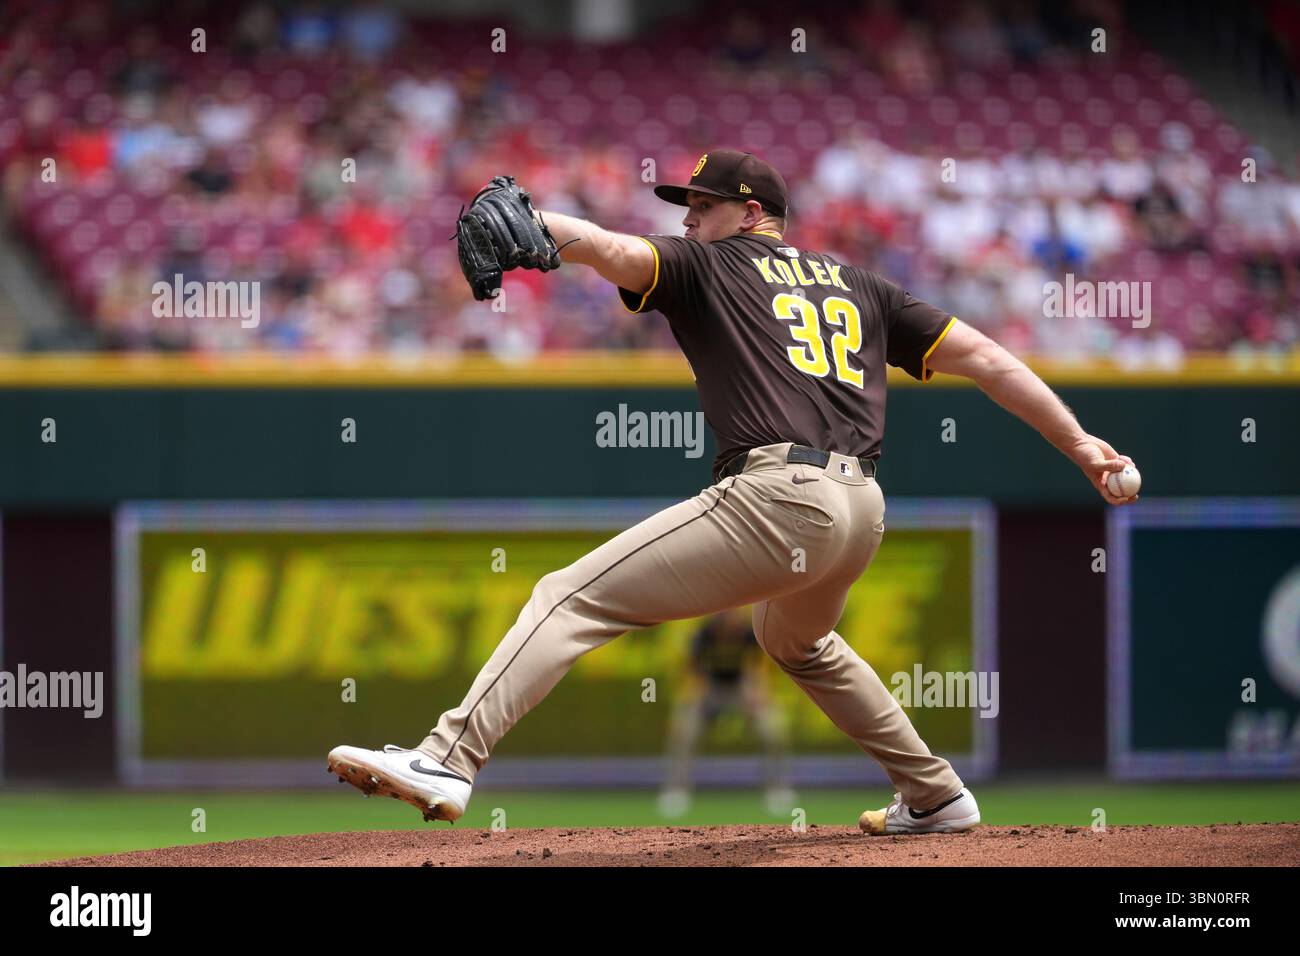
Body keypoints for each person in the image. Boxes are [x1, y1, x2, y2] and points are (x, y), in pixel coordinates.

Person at [329, 148, 1138, 835]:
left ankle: (445, 758)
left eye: (703, 205)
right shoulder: (865, 287)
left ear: (751, 213)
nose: (687, 220)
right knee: (800, 643)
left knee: (568, 596)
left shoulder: (708, 265)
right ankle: (935, 797)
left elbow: (609, 248)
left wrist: (542, 232)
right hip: (860, 511)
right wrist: (1082, 445)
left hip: (778, 495)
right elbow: (992, 362)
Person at [658, 607, 794, 817]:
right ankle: (676, 791)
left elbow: (757, 667)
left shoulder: (749, 633)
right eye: (723, 613)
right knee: (684, 731)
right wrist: (696, 696)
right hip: (711, 689)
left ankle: (777, 790)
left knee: (772, 728)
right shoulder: (704, 634)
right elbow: (694, 669)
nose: (727, 616)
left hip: (740, 687)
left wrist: (757, 692)